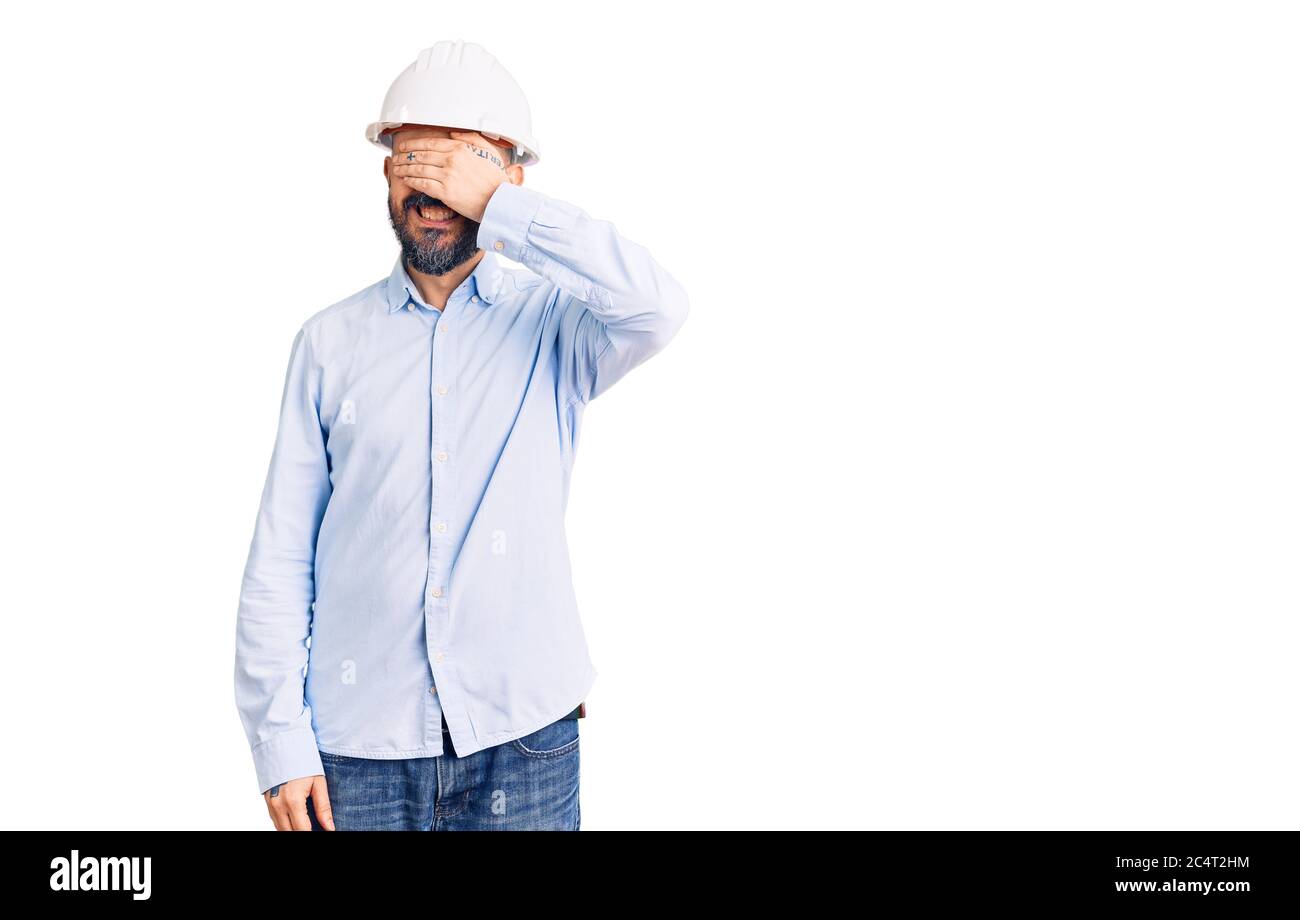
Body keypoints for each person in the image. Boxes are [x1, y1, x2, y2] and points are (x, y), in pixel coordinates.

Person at [233, 41, 688, 831]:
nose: (435, 187)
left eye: (465, 163)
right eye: (416, 159)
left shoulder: (557, 328)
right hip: (357, 755)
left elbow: (658, 306)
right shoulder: (327, 345)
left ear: (510, 177)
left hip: (525, 742)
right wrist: (280, 743)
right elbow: (280, 557)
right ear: (383, 172)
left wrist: (503, 211)